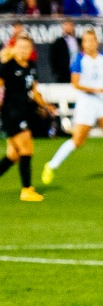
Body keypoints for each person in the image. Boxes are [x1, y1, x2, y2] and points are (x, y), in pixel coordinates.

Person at [41, 31, 103, 185]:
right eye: (87, 41)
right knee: (78, 140)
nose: (90, 44)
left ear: (97, 42)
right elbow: (75, 83)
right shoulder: (79, 60)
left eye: (92, 40)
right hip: (87, 101)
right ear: (83, 44)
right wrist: (96, 90)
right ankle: (51, 165)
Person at [0, 35, 54, 201]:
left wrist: (46, 105)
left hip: (24, 112)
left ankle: (27, 189)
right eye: (20, 47)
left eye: (27, 48)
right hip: (11, 114)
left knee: (13, 155)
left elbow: (34, 91)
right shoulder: (7, 67)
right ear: (15, 48)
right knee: (27, 149)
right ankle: (27, 190)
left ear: (31, 50)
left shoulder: (31, 67)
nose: (23, 50)